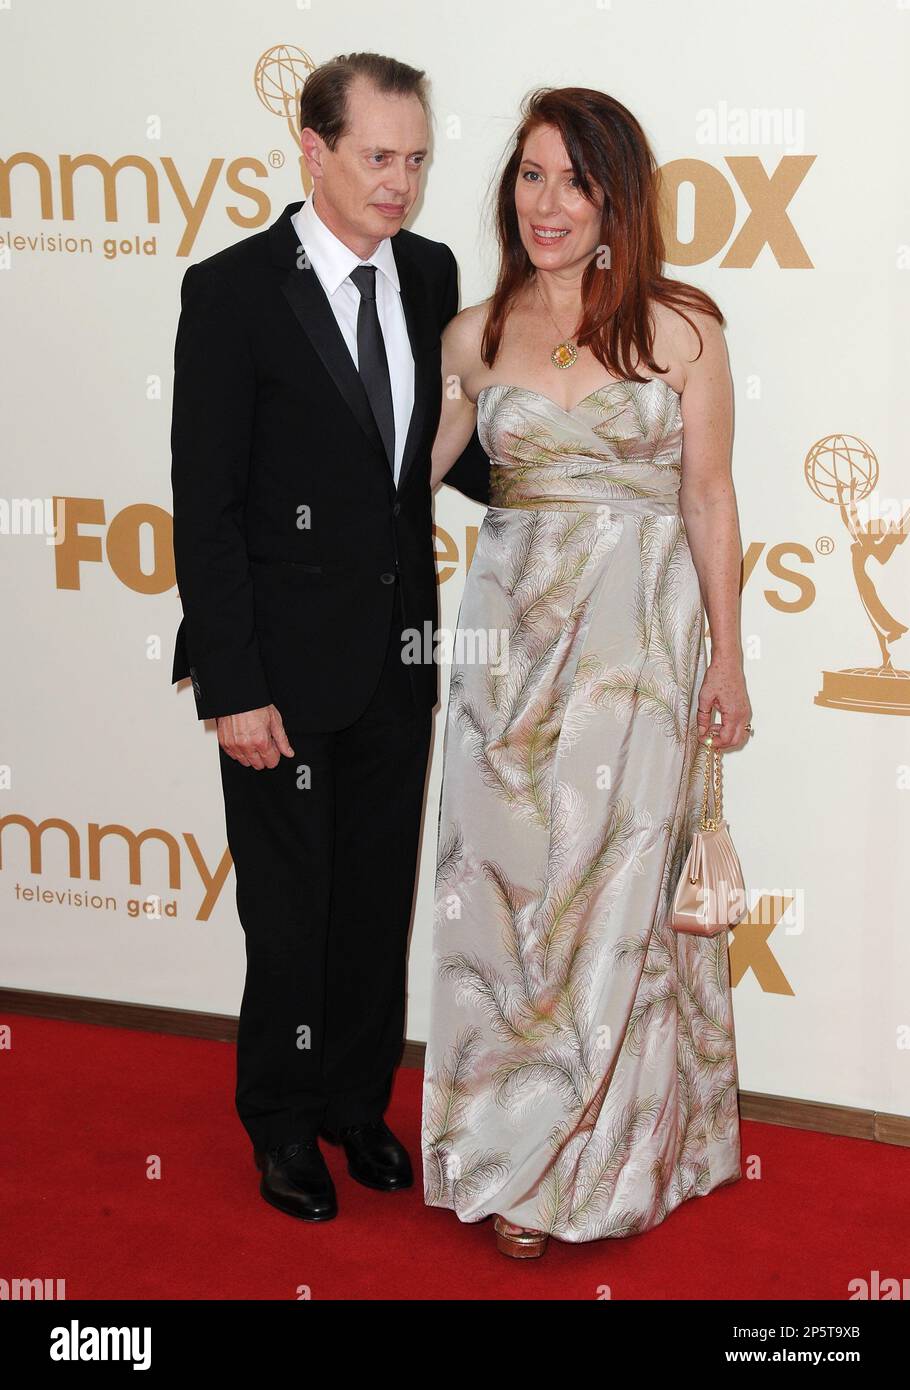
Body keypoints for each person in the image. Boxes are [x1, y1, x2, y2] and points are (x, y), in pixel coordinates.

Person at [421, 86, 753, 1258]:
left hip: (637, 654)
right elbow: (400, 483)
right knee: (503, 902)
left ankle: (584, 1162)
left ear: (616, 195)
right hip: (502, 660)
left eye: (572, 179)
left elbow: (708, 500)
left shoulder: (680, 329)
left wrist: (730, 660)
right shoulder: (473, 333)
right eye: (527, 175)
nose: (546, 203)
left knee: (605, 899)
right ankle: (504, 1138)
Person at [170, 51, 490, 1222]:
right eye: (377, 158)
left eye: (415, 159)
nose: (400, 183)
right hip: (278, 677)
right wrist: (233, 681)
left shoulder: (432, 274)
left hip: (399, 660)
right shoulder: (234, 290)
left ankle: (359, 1104)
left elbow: (431, 464)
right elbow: (202, 507)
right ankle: (282, 1123)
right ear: (312, 149)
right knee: (288, 911)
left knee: (371, 903)